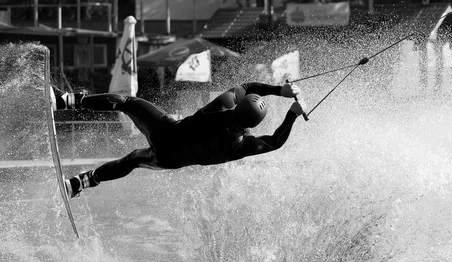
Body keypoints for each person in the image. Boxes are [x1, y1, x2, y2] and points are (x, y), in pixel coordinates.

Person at [53, 82, 306, 198]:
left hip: (165, 133)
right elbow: (275, 141)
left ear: (238, 108)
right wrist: (292, 114)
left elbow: (246, 86)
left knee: (126, 102)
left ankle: (66, 101)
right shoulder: (241, 146)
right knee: (132, 160)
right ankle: (80, 183)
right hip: (170, 159)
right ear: (254, 124)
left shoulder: (221, 106)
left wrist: (278, 90)